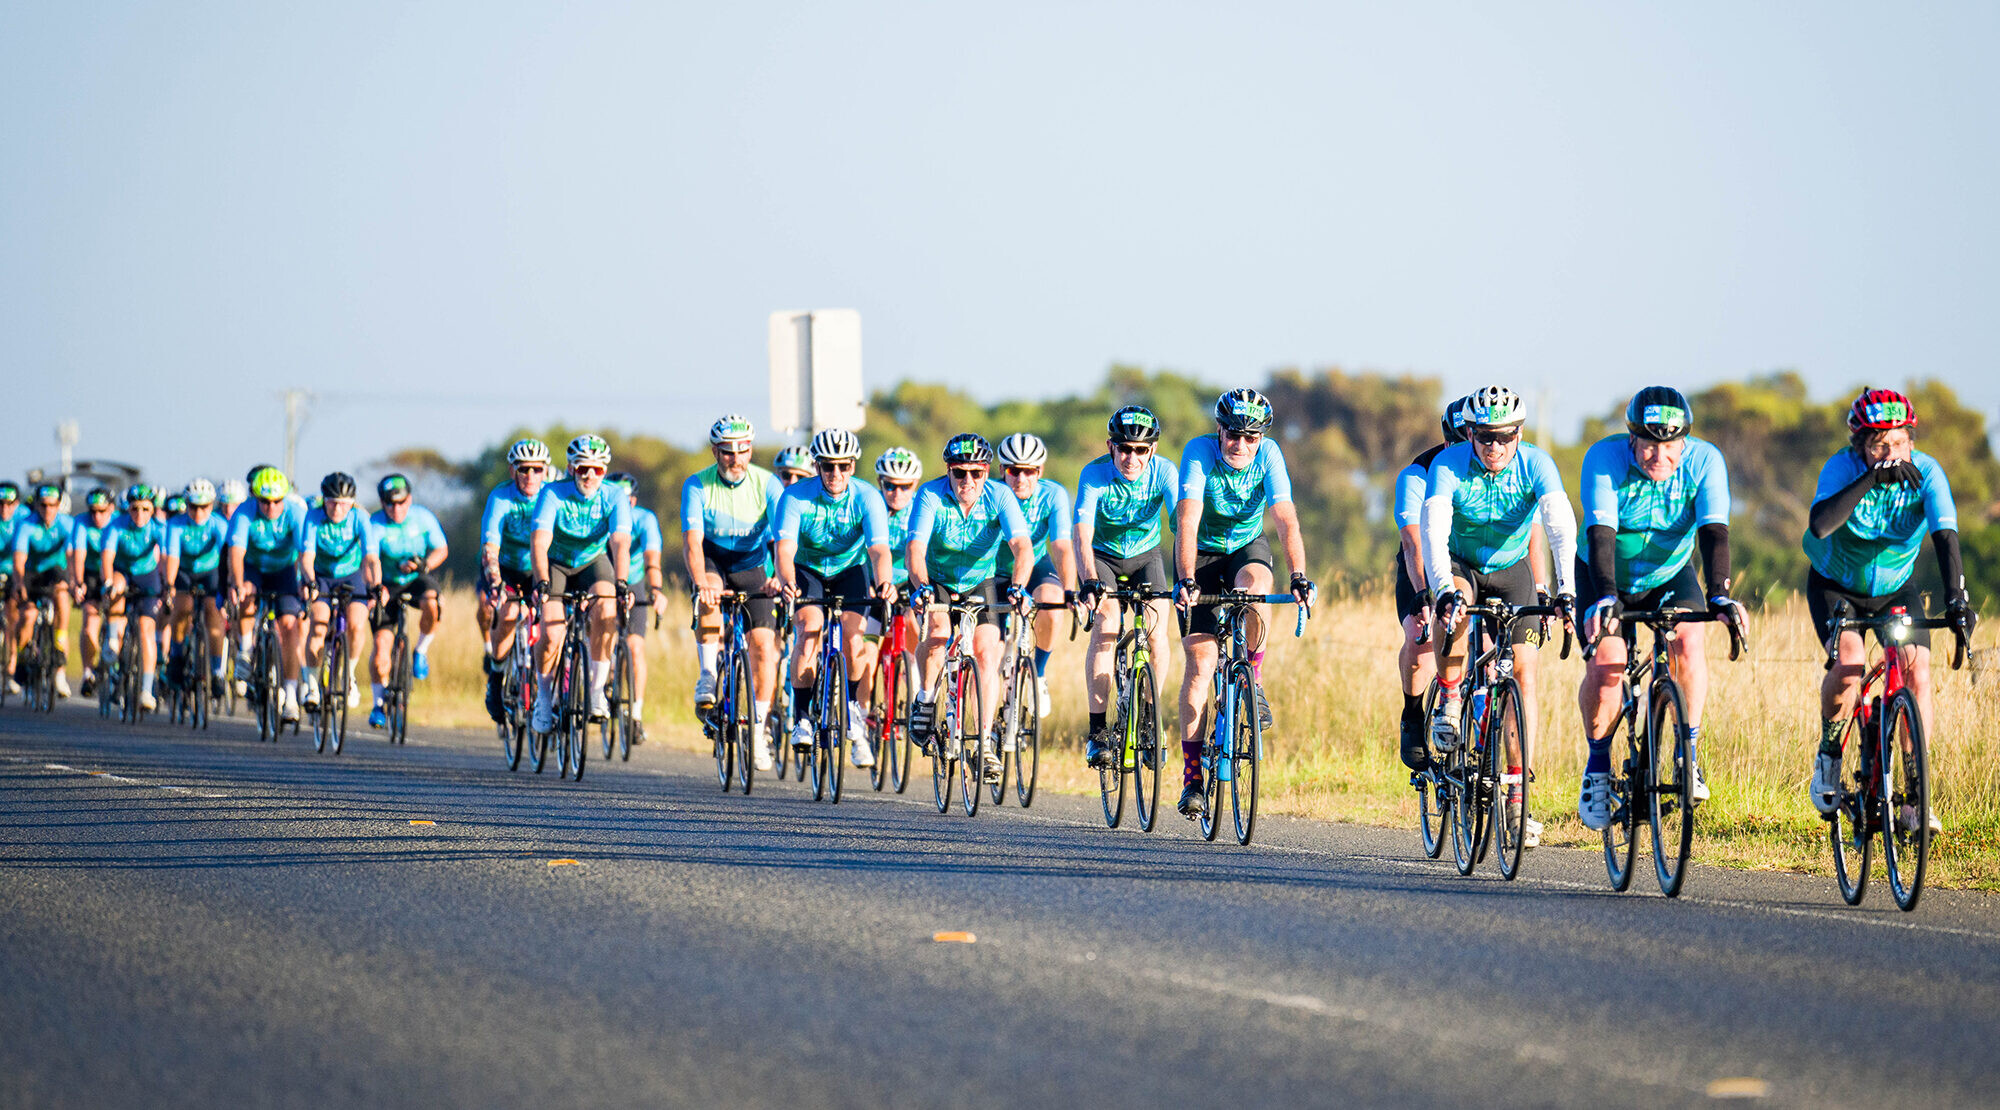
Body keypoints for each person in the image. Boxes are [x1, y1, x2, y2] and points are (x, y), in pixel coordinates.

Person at [1804, 388, 1972, 832]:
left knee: (1918, 672)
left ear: (1911, 441)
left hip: (1896, 587)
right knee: (1850, 664)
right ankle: (1829, 755)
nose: (1892, 454)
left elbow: (1946, 537)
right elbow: (1820, 525)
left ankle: (1916, 795)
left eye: (1899, 443)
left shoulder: (1927, 473)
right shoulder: (1842, 468)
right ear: (1860, 447)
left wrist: (1957, 599)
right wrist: (1872, 479)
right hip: (1835, 585)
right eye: (1879, 445)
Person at [1574, 388, 1741, 828]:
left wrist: (1720, 594)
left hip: (1669, 573)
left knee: (1688, 641)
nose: (1659, 456)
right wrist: (1606, 596)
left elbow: (1715, 534)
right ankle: (1597, 767)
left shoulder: (1705, 462)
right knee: (1607, 665)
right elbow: (1600, 534)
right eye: (1649, 444)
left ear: (1685, 442)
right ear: (1632, 438)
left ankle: (1689, 753)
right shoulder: (1604, 458)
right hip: (1603, 573)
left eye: (1670, 446)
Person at [1421, 385, 1577, 849]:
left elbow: (1559, 526)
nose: (1495, 446)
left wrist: (1566, 591)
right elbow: (1433, 529)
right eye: (1485, 436)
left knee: (1524, 676)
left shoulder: (1537, 464)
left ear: (1519, 434)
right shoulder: (1448, 464)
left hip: (1511, 570)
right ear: (1469, 434)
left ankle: (1517, 800)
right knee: (1456, 613)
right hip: (1461, 564)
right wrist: (1442, 591)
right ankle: (1450, 699)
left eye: (1505, 436)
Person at [1172, 389, 1317, 819]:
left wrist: (1299, 575)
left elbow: (1285, 518)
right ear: (1219, 431)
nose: (1240, 444)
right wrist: (1186, 579)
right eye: (1233, 435)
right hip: (1199, 552)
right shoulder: (1199, 452)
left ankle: (1252, 676)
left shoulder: (1269, 456)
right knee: (1200, 665)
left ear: (1261, 439)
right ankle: (1193, 778)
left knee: (1256, 586)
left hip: (1245, 546)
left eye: (1250, 437)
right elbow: (1187, 519)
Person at [906, 434, 1034, 783]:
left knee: (987, 653)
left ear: (986, 472)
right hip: (937, 579)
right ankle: (926, 698)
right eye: (959, 473)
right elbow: (915, 548)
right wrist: (922, 587)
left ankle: (985, 744)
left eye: (976, 473)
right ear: (948, 470)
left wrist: (1019, 586)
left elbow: (1022, 547)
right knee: (938, 633)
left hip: (980, 581)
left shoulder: (1000, 495)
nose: (967, 480)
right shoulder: (930, 495)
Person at [774, 428, 896, 769]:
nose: (836, 474)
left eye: (843, 466)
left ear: (853, 466)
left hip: (850, 571)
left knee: (855, 641)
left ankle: (854, 710)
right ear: (817, 466)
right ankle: (802, 716)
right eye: (828, 466)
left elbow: (879, 550)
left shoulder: (867, 497)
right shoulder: (796, 496)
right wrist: (787, 582)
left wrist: (884, 583)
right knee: (808, 630)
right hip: (808, 570)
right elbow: (784, 550)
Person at [1075, 406, 1179, 768]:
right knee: (1107, 626)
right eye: (1124, 448)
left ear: (1153, 450)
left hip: (1145, 557)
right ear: (1111, 447)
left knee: (1156, 632)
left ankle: (1149, 718)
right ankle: (1097, 732)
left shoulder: (1165, 472)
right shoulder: (1094, 474)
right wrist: (1089, 580)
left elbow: (1181, 524)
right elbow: (1082, 534)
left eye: (1140, 450)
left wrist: (1189, 574)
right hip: (1102, 558)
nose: (1131, 458)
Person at [681, 415, 783, 769]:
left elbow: (783, 540)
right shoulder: (697, 485)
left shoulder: (768, 484)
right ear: (715, 452)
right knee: (709, 594)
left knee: (764, 647)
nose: (735, 458)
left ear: (751, 450)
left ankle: (757, 730)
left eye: (743, 450)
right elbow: (692, 543)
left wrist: (780, 577)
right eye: (727, 452)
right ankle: (708, 674)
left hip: (751, 566)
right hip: (713, 561)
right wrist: (700, 582)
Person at [1390, 395, 1474, 772]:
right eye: (1458, 443)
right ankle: (1412, 714)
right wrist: (1425, 594)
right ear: (1445, 442)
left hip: (1471, 562)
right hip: (1422, 563)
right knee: (1420, 637)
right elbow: (1413, 543)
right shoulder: (1418, 474)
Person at [529, 435, 632, 730]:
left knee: (607, 609)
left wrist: (622, 583)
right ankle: (544, 700)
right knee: (551, 634)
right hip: (556, 562)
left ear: (604, 471)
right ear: (571, 468)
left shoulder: (614, 496)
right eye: (582, 468)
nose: (589, 475)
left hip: (591, 561)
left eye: (596, 470)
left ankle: (597, 691)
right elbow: (539, 542)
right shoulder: (553, 492)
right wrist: (542, 582)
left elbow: (620, 543)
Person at [994, 433, 1079, 719]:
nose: (1021, 478)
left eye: (1029, 471)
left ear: (1040, 471)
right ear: (1002, 470)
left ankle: (1038, 674)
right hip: (994, 570)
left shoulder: (1053, 495)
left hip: (1036, 566)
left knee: (1052, 605)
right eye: (1013, 470)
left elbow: (1062, 546)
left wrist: (1069, 590)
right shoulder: (991, 493)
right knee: (991, 647)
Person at [852, 447, 923, 744]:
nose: (897, 493)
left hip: (907, 584)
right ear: (880, 482)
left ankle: (916, 681)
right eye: (890, 485)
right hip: (874, 586)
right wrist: (868, 585)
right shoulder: (870, 507)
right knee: (867, 650)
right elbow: (857, 553)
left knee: (915, 623)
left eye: (905, 486)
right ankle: (861, 714)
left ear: (915, 485)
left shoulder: (919, 510)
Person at [479, 438, 551, 728]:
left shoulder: (551, 495)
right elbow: (490, 546)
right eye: (523, 469)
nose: (530, 476)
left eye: (537, 469)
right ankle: (496, 678)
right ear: (513, 471)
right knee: (508, 613)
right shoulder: (501, 498)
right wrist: (495, 581)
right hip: (506, 566)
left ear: (546, 471)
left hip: (540, 568)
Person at [229, 467, 309, 722]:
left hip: (283, 570)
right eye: (265, 501)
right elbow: (236, 553)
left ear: (284, 498)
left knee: (289, 626)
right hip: (253, 567)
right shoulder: (244, 512)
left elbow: (305, 553)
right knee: (246, 596)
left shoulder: (296, 513)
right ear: (256, 498)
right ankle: (245, 651)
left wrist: (306, 582)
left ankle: (291, 697)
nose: (271, 507)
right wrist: (239, 584)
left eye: (276, 501)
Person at [368, 474, 448, 727]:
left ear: (409, 499)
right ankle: (378, 703)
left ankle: (421, 651)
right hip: (385, 583)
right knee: (381, 650)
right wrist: (375, 587)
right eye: (390, 504)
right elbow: (370, 559)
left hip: (416, 578)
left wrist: (425, 564)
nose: (396, 509)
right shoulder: (375, 524)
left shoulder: (423, 517)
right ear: (382, 503)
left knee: (433, 602)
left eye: (401, 502)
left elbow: (441, 549)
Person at [299, 473, 380, 713]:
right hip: (322, 576)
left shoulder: (360, 518)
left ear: (352, 503)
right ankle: (312, 685)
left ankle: (349, 676)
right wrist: (310, 582)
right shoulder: (313, 517)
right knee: (318, 625)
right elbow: (306, 558)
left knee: (356, 625)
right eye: (332, 502)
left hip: (351, 575)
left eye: (343, 504)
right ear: (324, 500)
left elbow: (371, 559)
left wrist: (376, 585)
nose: (337, 509)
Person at [101, 485, 172, 711]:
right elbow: (107, 558)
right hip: (122, 571)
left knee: (146, 629)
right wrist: (108, 582)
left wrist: (168, 585)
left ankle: (146, 691)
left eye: (145, 509)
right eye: (134, 509)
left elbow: (167, 558)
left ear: (152, 510)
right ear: (128, 509)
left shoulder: (158, 528)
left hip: (147, 575)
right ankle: (113, 639)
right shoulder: (116, 526)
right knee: (117, 587)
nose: (139, 514)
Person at [608, 470, 664, 739]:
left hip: (635, 581)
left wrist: (657, 591)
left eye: (627, 499)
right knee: (604, 634)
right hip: (605, 579)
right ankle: (604, 677)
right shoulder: (602, 518)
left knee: (636, 647)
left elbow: (652, 559)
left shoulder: (645, 519)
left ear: (634, 500)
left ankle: (636, 714)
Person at [163, 479, 231, 699]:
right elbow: (172, 558)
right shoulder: (176, 525)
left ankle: (217, 671)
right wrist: (169, 586)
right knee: (182, 607)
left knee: (213, 611)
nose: (199, 512)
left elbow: (227, 558)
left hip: (211, 571)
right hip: (184, 571)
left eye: (204, 507)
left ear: (212, 505)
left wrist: (227, 586)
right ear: (187, 506)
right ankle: (176, 654)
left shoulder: (219, 524)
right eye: (193, 507)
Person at [10, 483, 77, 697]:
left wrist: (75, 581)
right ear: (37, 505)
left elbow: (73, 555)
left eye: (52, 505)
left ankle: (59, 653)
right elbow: (19, 560)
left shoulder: (67, 524)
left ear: (59, 505)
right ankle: (22, 658)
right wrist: (19, 584)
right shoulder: (26, 525)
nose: (48, 510)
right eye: (43, 505)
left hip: (56, 570)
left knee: (62, 595)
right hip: (31, 572)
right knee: (28, 616)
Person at [71, 487, 117, 696]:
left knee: (120, 619)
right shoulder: (81, 523)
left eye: (102, 511)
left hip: (115, 572)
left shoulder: (118, 522)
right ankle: (88, 672)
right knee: (90, 625)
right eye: (93, 511)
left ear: (111, 509)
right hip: (91, 573)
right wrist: (78, 583)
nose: (97, 516)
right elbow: (78, 556)